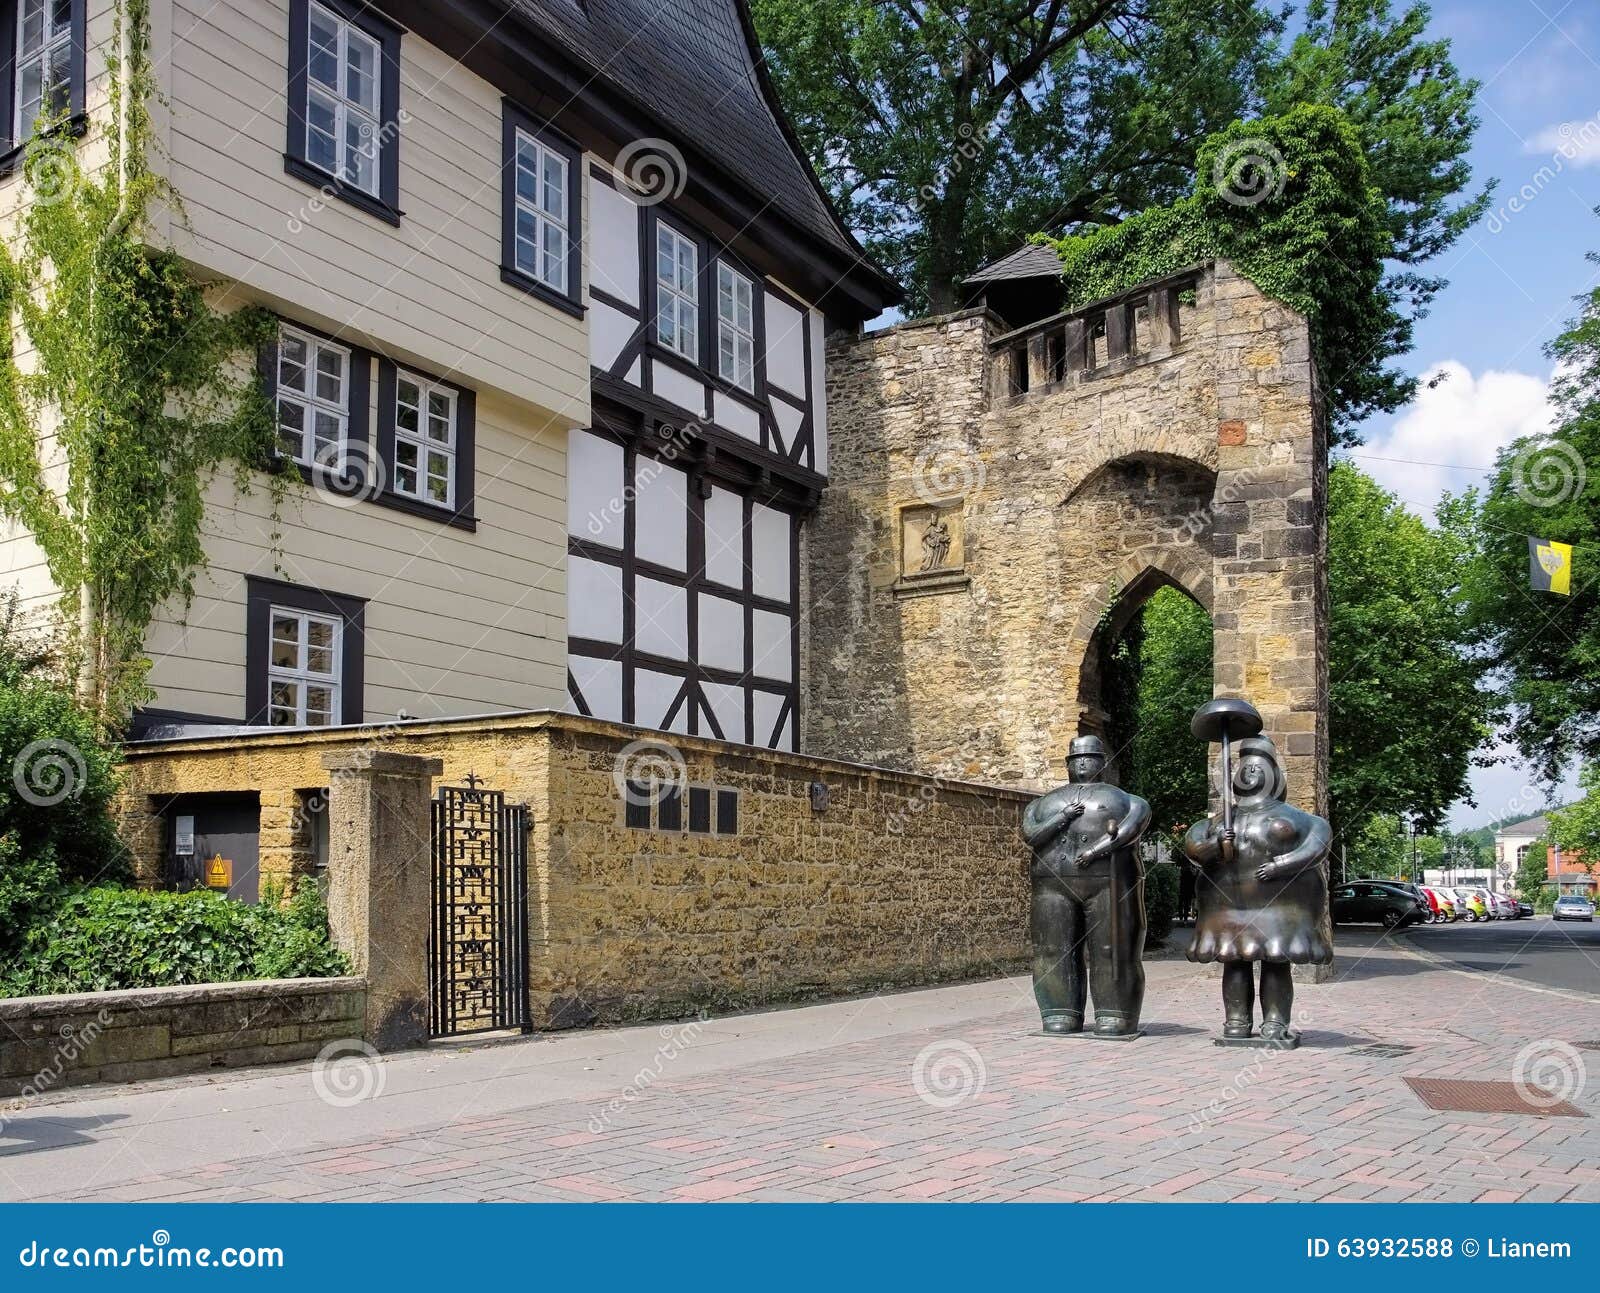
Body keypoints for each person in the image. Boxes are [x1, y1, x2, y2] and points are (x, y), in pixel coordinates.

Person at [1181, 735, 1332, 1046]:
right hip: (1230, 906)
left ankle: (1275, 1022)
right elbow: (1194, 848)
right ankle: (1236, 1019)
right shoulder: (1219, 821)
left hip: (1279, 907)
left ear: (1274, 774)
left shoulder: (1301, 819)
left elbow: (1317, 846)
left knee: (1276, 964)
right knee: (1234, 961)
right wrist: (1215, 843)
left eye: (1257, 766)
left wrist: (1282, 864)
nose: (1250, 772)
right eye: (1245, 767)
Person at [1022, 735, 1152, 1038]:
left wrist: (1096, 851)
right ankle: (1059, 1010)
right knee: (1052, 948)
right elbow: (1032, 835)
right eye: (1076, 759)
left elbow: (1126, 832)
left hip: (1109, 882)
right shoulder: (1041, 804)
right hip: (1052, 883)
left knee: (1113, 949)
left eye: (1090, 758)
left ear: (1102, 762)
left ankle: (1115, 1012)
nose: (1082, 763)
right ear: (1068, 763)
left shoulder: (1129, 800)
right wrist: (1062, 817)